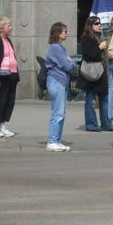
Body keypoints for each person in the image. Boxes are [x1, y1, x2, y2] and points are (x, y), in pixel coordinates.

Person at [45, 22, 75, 152]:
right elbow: (67, 65)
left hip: (59, 81)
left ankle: (57, 140)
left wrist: (69, 62)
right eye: (65, 31)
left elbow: (67, 64)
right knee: (58, 112)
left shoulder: (59, 48)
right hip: (56, 81)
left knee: (61, 112)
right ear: (58, 33)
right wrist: (71, 62)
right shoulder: (56, 48)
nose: (66, 33)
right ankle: (52, 140)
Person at [78, 16, 112, 132]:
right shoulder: (86, 38)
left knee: (105, 98)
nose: (99, 25)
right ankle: (91, 124)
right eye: (96, 23)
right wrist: (99, 47)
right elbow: (88, 55)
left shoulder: (99, 36)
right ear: (90, 25)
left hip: (101, 71)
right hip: (91, 72)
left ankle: (106, 124)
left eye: (100, 23)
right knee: (90, 99)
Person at [0, 16, 19, 138]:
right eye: (8, 25)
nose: (11, 28)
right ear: (1, 28)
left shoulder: (8, 40)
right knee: (0, 100)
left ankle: (2, 125)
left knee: (9, 101)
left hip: (12, 74)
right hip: (2, 76)